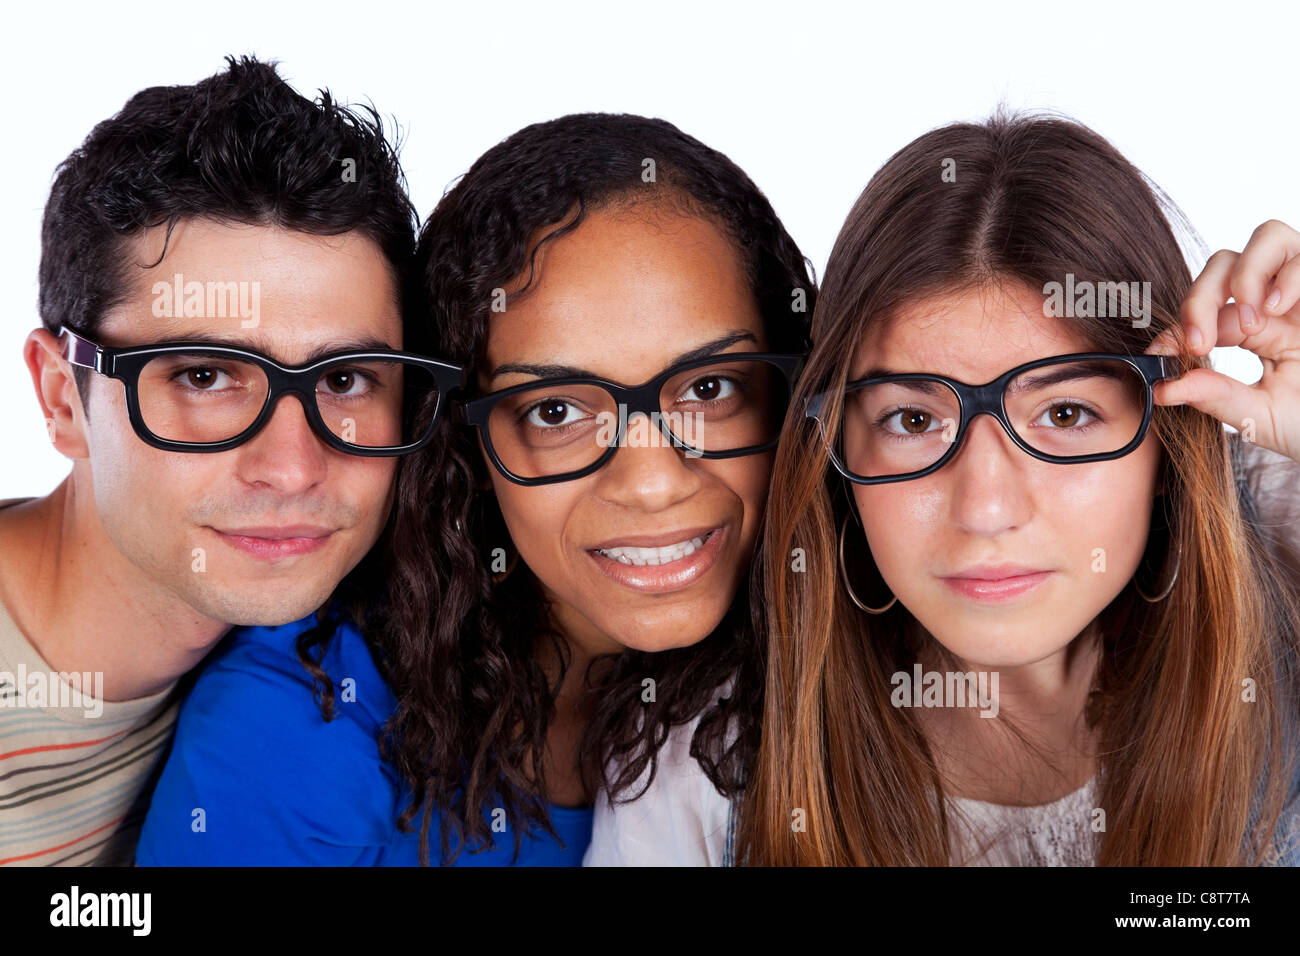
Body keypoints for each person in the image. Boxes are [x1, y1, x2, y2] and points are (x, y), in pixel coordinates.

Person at [586, 112, 1300, 866]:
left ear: (1170, 440)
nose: (986, 508)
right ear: (833, 451)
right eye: (912, 419)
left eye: (1065, 413)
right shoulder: (695, 778)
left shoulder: (1281, 541)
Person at [136, 112, 815, 864]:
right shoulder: (291, 735)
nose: (653, 481)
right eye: (556, 411)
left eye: (711, 387)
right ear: (465, 443)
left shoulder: (833, 670)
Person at [0, 55, 454, 866]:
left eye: (345, 379)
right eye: (205, 376)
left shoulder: (364, 663)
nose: (292, 468)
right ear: (63, 398)